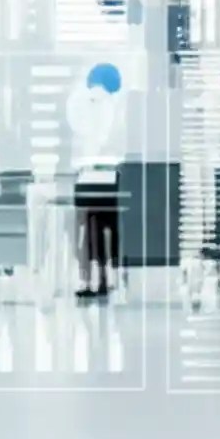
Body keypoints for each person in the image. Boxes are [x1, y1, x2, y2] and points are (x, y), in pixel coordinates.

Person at [67, 62, 127, 299]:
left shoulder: (78, 101)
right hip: (109, 176)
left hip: (85, 175)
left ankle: (85, 279)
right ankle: (105, 278)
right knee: (107, 228)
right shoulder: (114, 105)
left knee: (84, 229)